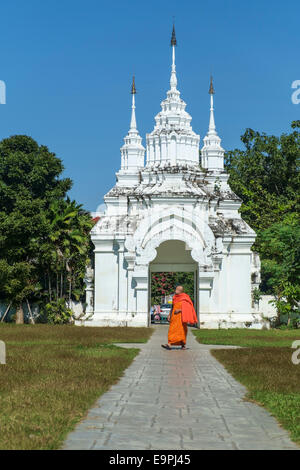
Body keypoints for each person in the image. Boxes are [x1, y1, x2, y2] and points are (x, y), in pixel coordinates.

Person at [161, 285, 197, 350]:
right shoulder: (174, 297)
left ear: (181, 291)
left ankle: (183, 345)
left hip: (182, 317)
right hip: (174, 317)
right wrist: (169, 315)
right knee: (172, 329)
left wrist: (180, 310)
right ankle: (169, 344)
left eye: (177, 289)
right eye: (176, 289)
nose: (176, 290)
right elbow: (172, 307)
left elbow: (189, 308)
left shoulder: (185, 297)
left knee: (182, 330)